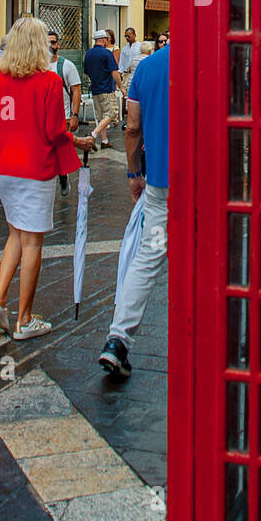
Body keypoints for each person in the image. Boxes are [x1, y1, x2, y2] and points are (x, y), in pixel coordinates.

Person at [0, 17, 95, 338]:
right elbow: (53, 131)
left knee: (15, 233)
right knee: (32, 243)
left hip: (2, 165)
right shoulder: (47, 82)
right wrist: (79, 141)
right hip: (35, 167)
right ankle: (24, 318)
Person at [99, 36, 169, 378]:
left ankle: (118, 339)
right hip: (206, 186)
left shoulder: (147, 67)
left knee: (148, 256)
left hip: (160, 185)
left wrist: (133, 174)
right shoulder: (214, 60)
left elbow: (133, 127)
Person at [47, 30, 81, 195]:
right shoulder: (37, 66)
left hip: (64, 117)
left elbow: (76, 90)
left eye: (53, 42)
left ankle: (62, 176)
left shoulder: (67, 65)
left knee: (60, 151)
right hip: (43, 118)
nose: (50, 46)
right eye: (47, 42)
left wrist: (75, 115)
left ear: (58, 44)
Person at [82, 29, 122, 147]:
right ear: (104, 40)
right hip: (107, 88)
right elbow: (114, 71)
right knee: (111, 114)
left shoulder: (88, 53)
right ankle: (93, 134)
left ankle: (104, 141)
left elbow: (87, 72)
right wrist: (121, 86)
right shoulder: (106, 53)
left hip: (95, 89)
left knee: (101, 116)